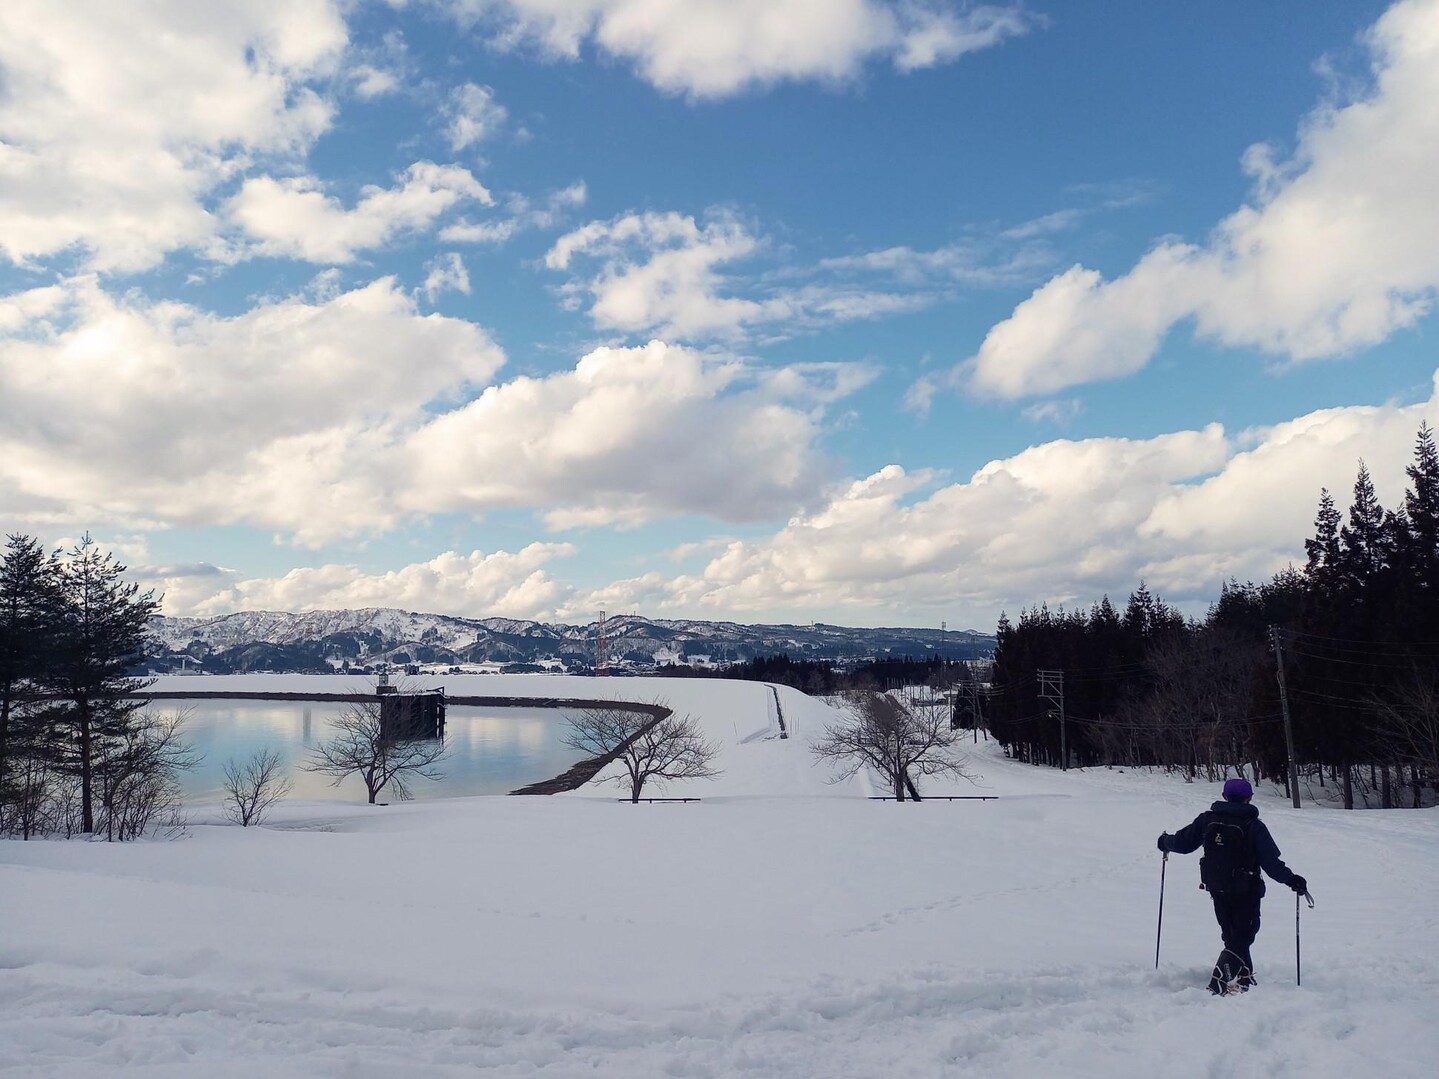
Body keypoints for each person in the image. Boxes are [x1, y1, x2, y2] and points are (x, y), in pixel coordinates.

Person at [1157, 777, 1307, 994]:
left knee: (1232, 935)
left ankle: (1245, 978)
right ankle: (1218, 982)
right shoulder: (1253, 826)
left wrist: (1164, 842)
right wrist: (1292, 880)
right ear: (1249, 798)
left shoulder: (1207, 820)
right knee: (1243, 936)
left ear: (1224, 796)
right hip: (1246, 890)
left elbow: (1183, 843)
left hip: (1216, 887)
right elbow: (1271, 863)